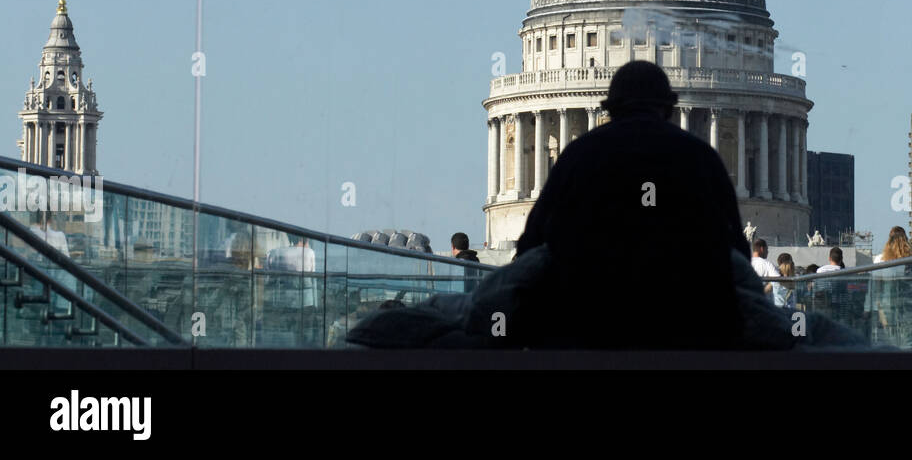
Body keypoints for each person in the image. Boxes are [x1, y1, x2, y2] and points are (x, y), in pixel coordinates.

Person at [347, 61, 864, 351]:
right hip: (693, 311)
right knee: (818, 335)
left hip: (578, 309)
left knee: (452, 315)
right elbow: (730, 249)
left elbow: (533, 245)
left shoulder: (579, 153)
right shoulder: (701, 157)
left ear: (609, 110)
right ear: (669, 109)